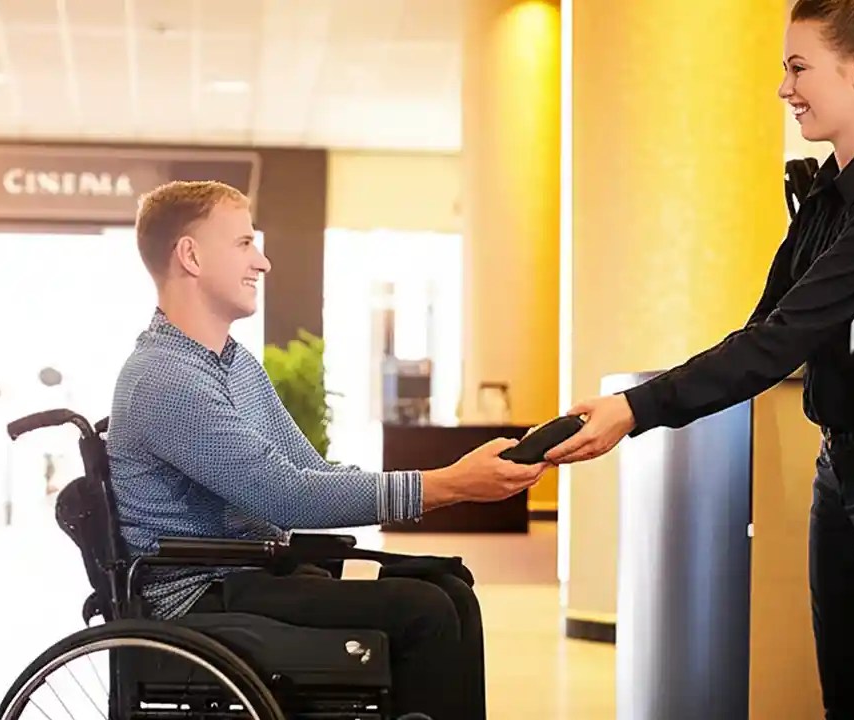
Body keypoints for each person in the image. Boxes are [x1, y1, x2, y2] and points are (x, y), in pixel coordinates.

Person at [544, 1, 854, 718]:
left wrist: (635, 410)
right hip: (840, 474)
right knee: (848, 690)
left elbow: (780, 342)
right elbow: (764, 327)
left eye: (799, 67)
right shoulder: (829, 197)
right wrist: (644, 404)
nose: (784, 87)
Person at [106, 179, 549, 720]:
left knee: (447, 584)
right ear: (191, 256)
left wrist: (444, 481)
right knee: (424, 611)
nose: (263, 262)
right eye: (244, 244)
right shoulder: (165, 379)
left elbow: (308, 472)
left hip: (253, 575)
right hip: (204, 592)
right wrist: (451, 484)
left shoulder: (232, 364)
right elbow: (286, 497)